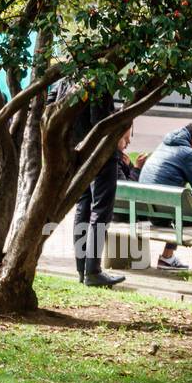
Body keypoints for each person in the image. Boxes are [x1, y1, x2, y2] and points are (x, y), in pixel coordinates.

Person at [59, 82, 126, 288]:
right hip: (99, 153)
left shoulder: (67, 78)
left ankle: (83, 268)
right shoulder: (98, 77)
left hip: (76, 150)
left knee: (83, 207)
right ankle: (93, 270)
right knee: (100, 210)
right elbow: (100, 121)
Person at [138, 123, 192, 270]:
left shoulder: (164, 145)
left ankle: (167, 257)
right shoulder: (189, 153)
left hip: (148, 209)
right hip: (168, 211)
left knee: (185, 205)